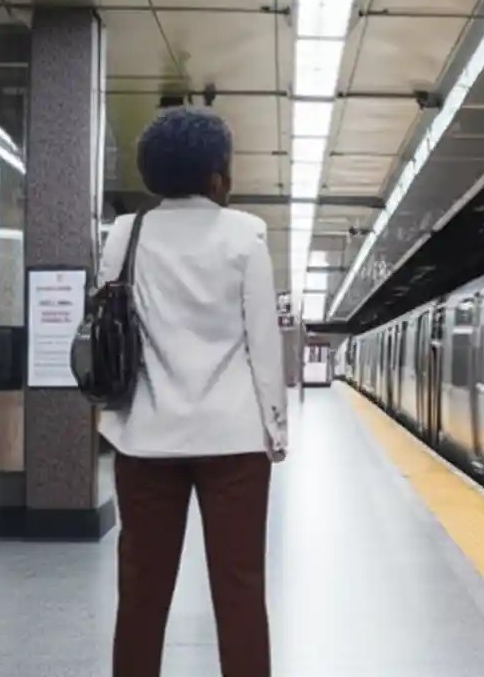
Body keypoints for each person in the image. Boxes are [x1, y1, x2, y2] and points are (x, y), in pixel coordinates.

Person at [101, 106, 288, 677]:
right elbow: (262, 343)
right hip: (232, 443)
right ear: (216, 174)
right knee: (239, 589)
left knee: (141, 591)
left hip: (144, 438)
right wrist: (275, 430)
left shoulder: (125, 234)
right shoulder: (245, 236)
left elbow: (110, 329)